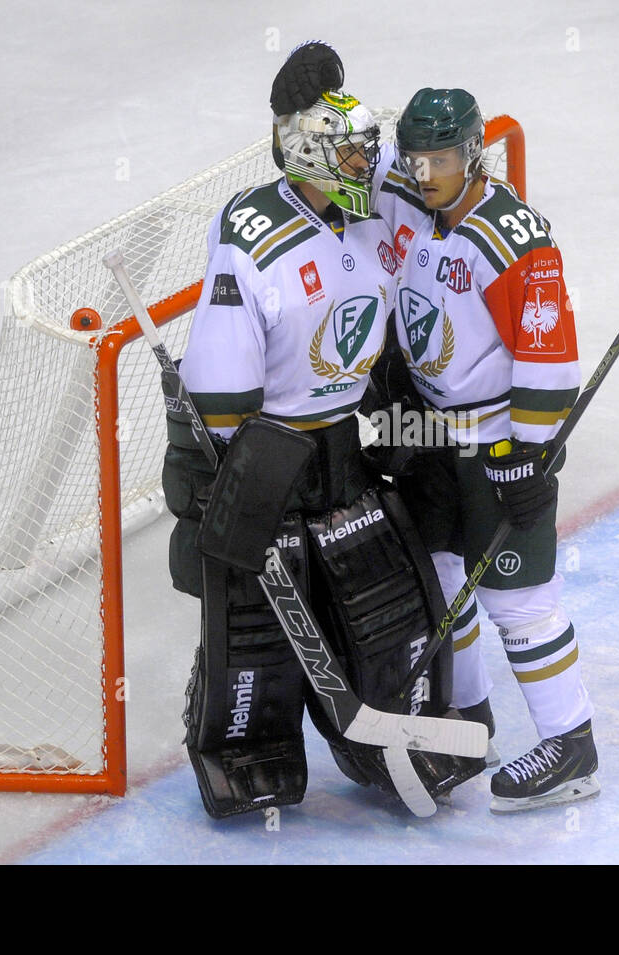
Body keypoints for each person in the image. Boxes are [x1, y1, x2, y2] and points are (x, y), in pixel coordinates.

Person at [271, 44, 600, 813]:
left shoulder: (514, 236)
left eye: (442, 156)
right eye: (416, 156)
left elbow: (549, 353)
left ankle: (571, 744)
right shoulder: (395, 191)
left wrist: (529, 450)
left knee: (521, 598)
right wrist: (297, 113)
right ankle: (467, 718)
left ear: (474, 151)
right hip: (426, 438)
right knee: (443, 583)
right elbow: (332, 166)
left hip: (495, 445)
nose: (425, 170)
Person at [161, 62, 483, 819]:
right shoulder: (253, 239)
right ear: (309, 158)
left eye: (368, 151)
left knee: (379, 598)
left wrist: (407, 411)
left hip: (343, 445)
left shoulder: (374, 214)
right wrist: (218, 482)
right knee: (256, 627)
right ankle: (249, 752)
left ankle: (391, 735)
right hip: (265, 453)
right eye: (353, 154)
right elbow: (218, 388)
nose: (370, 165)